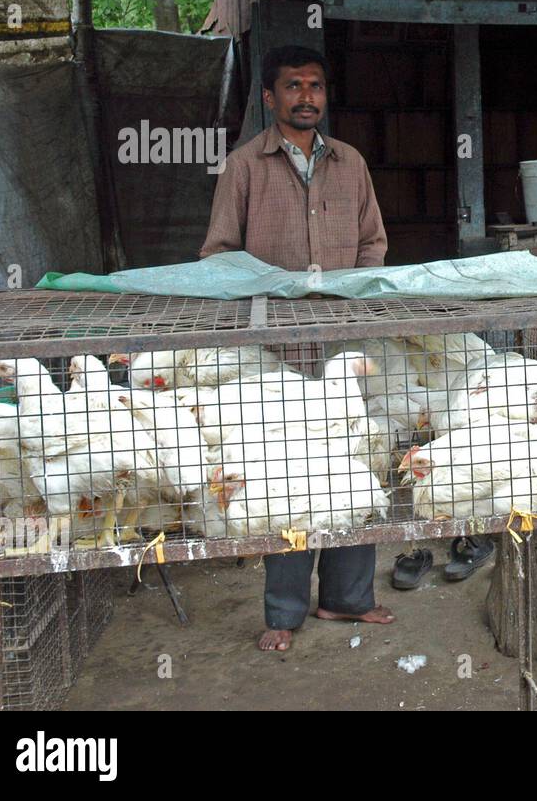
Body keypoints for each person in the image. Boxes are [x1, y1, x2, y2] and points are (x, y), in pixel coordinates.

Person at [200, 43, 393, 652]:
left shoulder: (351, 163)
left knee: (353, 465)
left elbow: (374, 244)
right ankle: (283, 614)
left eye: (315, 86)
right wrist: (264, 306)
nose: (306, 97)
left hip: (342, 344)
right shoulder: (244, 167)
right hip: (275, 354)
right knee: (285, 474)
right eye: (293, 86)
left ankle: (347, 600)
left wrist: (349, 304)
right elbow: (218, 254)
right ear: (269, 97)